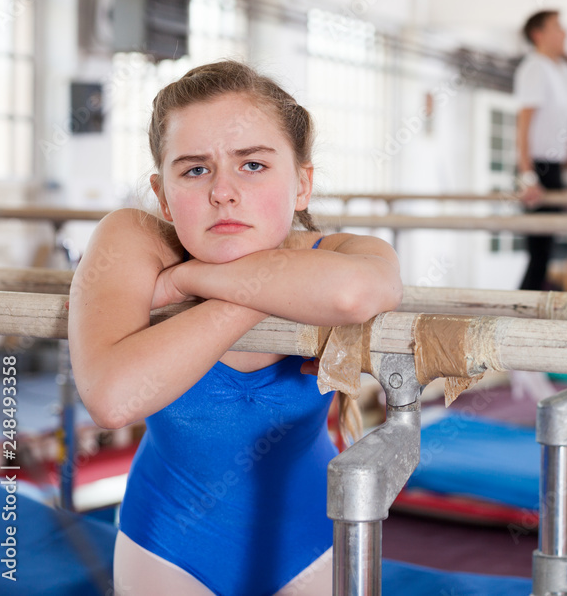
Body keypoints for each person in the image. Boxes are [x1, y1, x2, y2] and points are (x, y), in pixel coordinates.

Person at [68, 61, 403, 595]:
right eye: (195, 170)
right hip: (168, 544)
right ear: (162, 194)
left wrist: (191, 280)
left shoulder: (341, 253)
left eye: (252, 165)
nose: (223, 191)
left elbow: (354, 293)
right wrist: (262, 291)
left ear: (302, 183)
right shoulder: (132, 237)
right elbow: (113, 398)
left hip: (311, 538)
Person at [513, 9, 567, 291]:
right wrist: (527, 177)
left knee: (548, 252)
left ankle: (528, 315)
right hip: (535, 166)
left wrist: (562, 180)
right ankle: (517, 318)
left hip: (554, 166)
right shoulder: (534, 67)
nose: (564, 32)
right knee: (539, 254)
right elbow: (523, 125)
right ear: (538, 34)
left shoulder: (566, 70)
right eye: (557, 27)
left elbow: (563, 132)